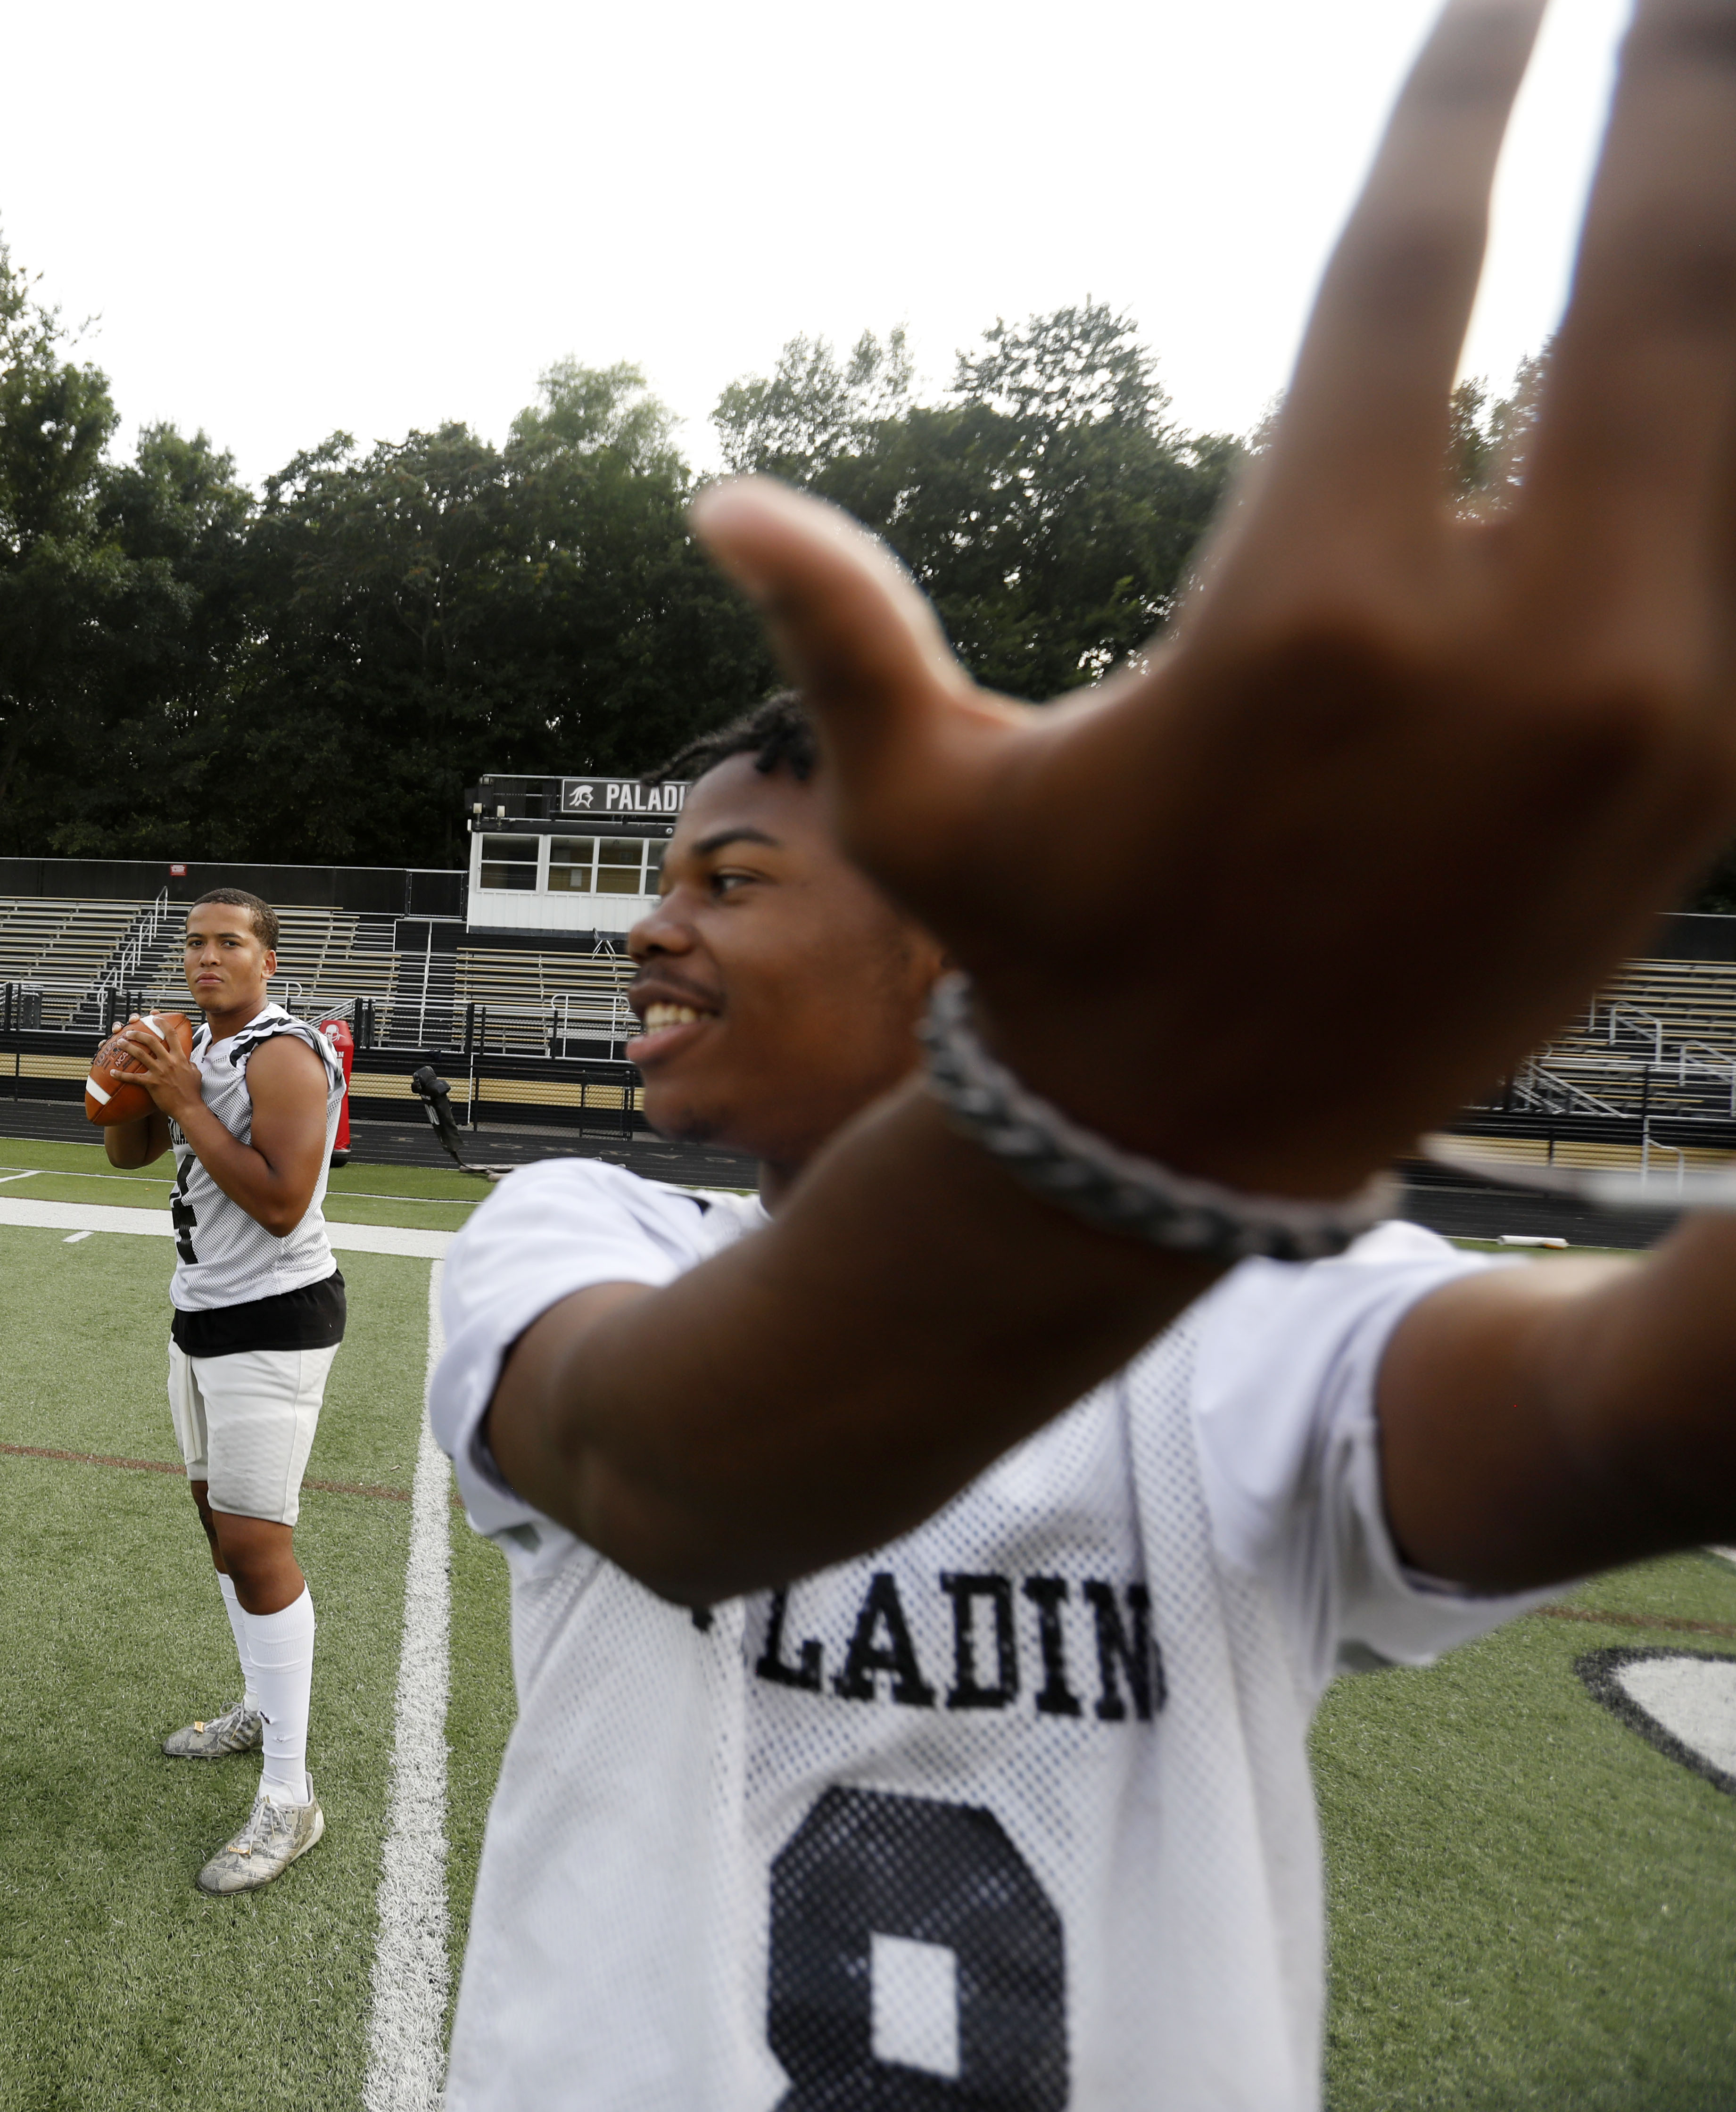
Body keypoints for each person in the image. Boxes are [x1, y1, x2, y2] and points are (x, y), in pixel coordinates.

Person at [433, 2, 1736, 2102]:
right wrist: (1150, 1100)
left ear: (962, 941)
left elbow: (1610, 1408)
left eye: (736, 876)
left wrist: (1153, 1105)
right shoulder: (570, 1224)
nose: (651, 921)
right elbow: (668, 1471)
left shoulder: (1259, 1323)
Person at [106, 888, 347, 1894]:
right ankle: (261, 1702)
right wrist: (126, 1088)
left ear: (267, 959)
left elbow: (284, 1203)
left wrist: (184, 1102)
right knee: (217, 1522)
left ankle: (291, 1796)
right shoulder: (189, 1047)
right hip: (199, 1310)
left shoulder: (280, 1054)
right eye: (195, 941)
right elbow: (129, 1155)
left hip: (273, 1320)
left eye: (230, 942)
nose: (207, 956)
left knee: (256, 1541)